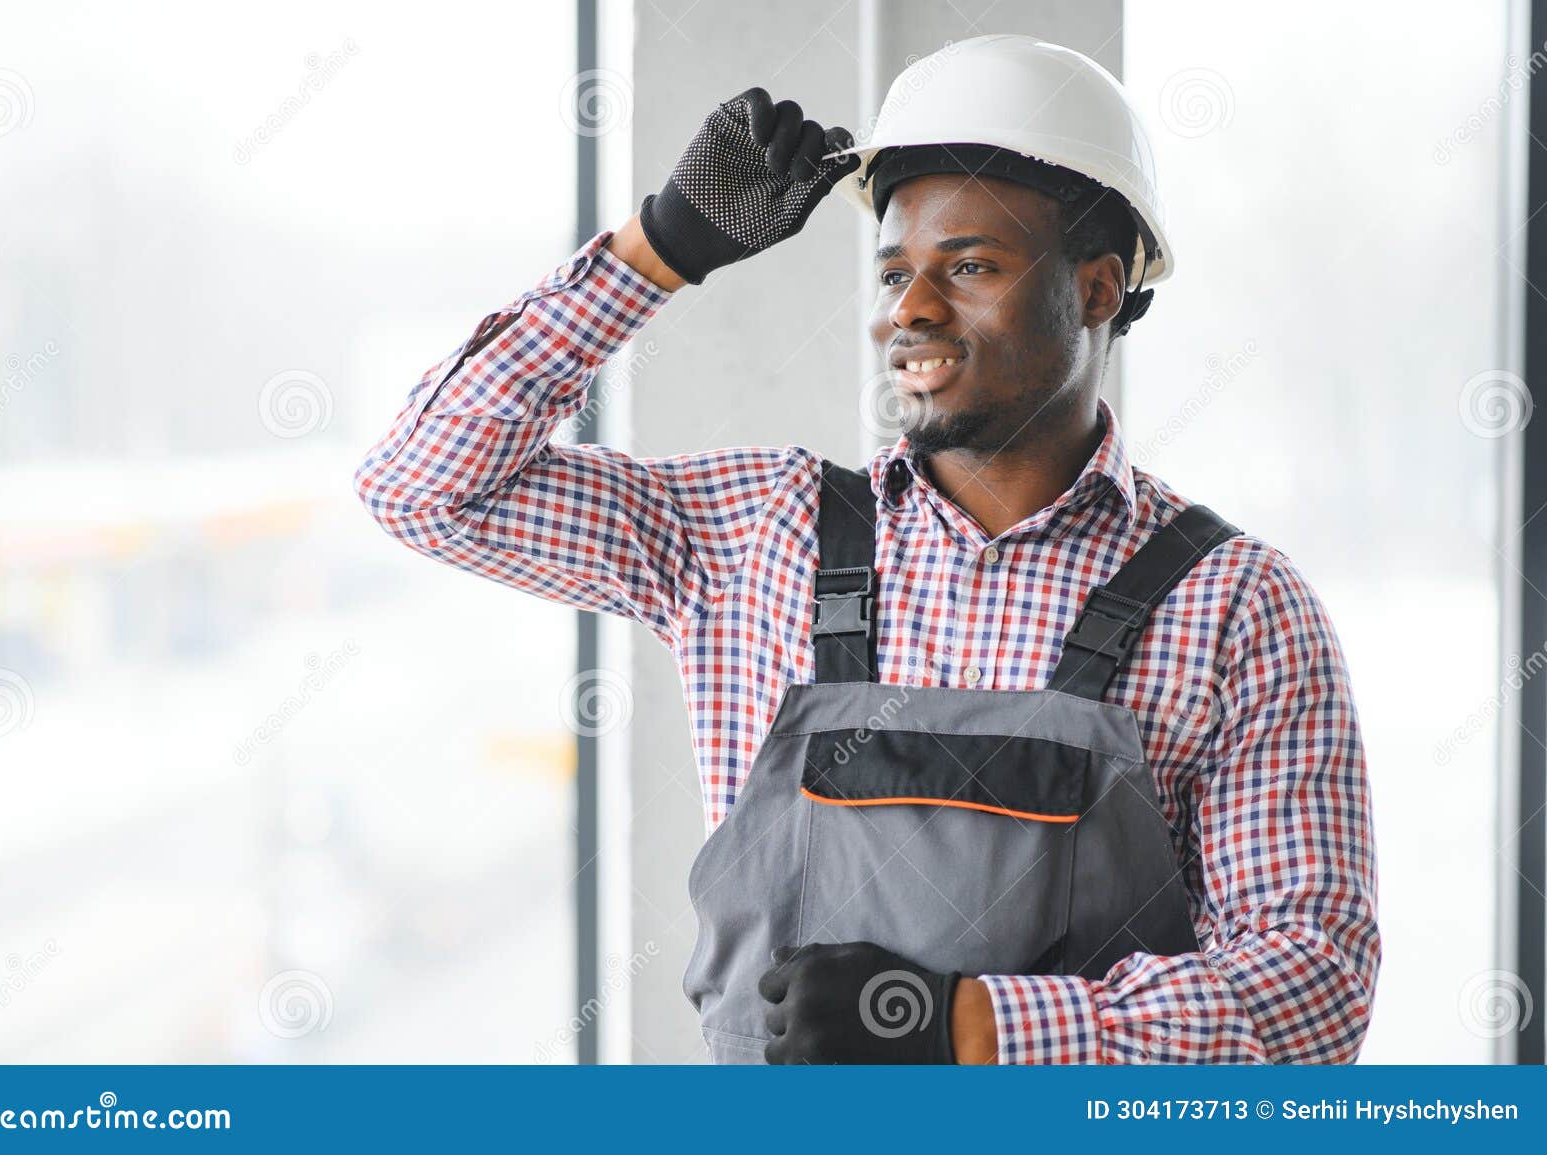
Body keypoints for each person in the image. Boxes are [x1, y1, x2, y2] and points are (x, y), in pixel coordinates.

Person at [355, 34, 1380, 1064]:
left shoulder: (1233, 603)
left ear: (1099, 289)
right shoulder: (756, 532)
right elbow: (421, 487)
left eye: (969, 267)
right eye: (895, 272)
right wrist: (659, 249)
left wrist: (965, 1025)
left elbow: (1315, 987)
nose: (911, 310)